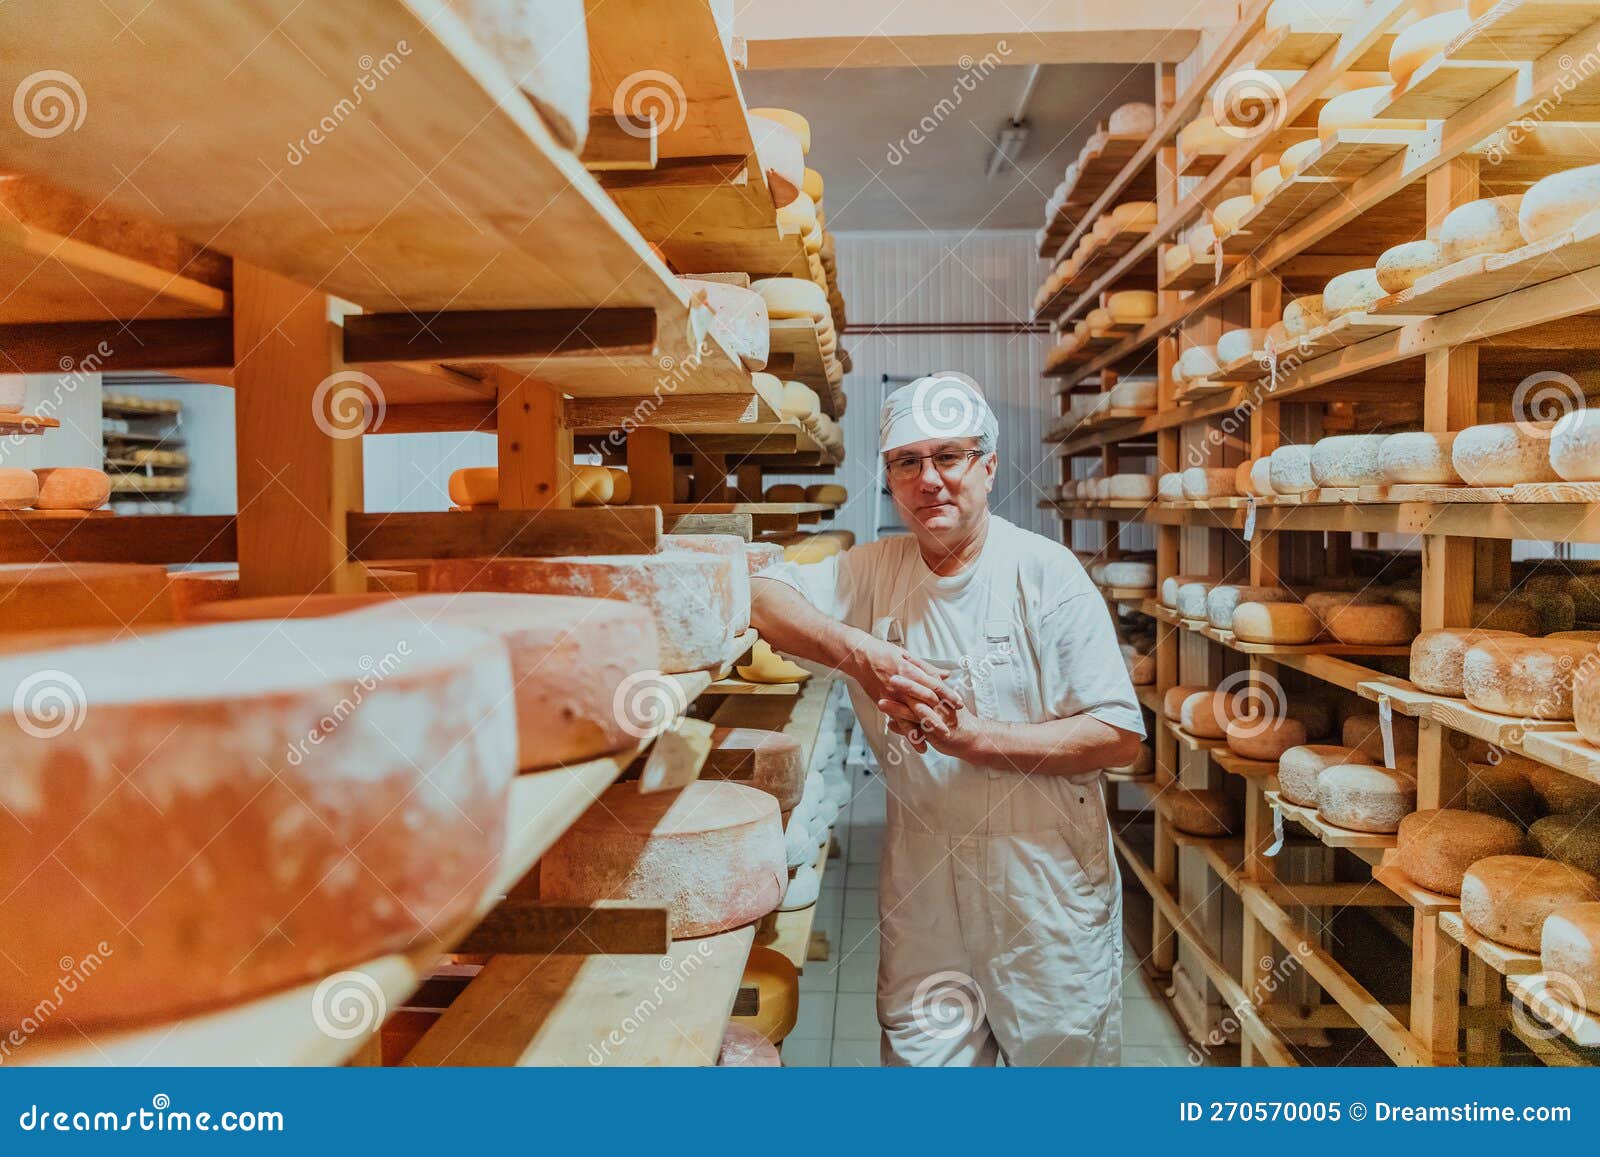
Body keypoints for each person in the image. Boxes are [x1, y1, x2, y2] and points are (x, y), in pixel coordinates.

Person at [751, 372, 1145, 1066]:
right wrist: (860, 650)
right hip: (925, 886)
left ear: (988, 466)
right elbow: (759, 595)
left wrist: (974, 740)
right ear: (890, 478)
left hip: (1044, 889)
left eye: (949, 457)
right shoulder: (869, 573)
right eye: (908, 461)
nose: (928, 479)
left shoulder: (1045, 574)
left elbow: (1119, 735)